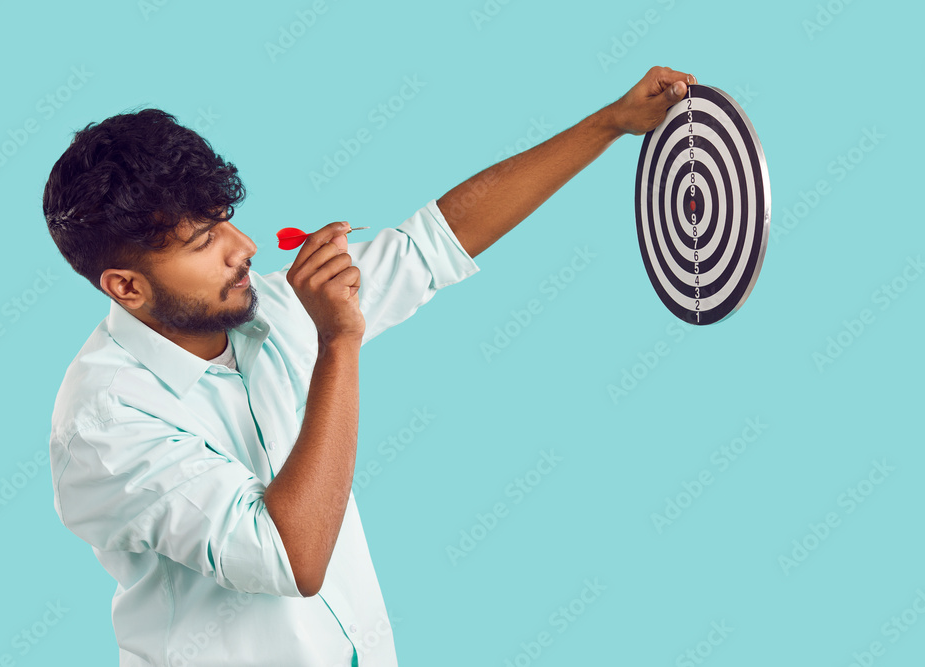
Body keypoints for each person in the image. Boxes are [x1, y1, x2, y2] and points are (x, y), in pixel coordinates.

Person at [44, 66, 696, 666]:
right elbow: (290, 555)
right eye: (203, 240)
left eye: (226, 219)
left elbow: (430, 246)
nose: (245, 247)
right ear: (126, 287)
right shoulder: (105, 421)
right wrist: (339, 341)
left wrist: (610, 123)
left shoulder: (269, 308)